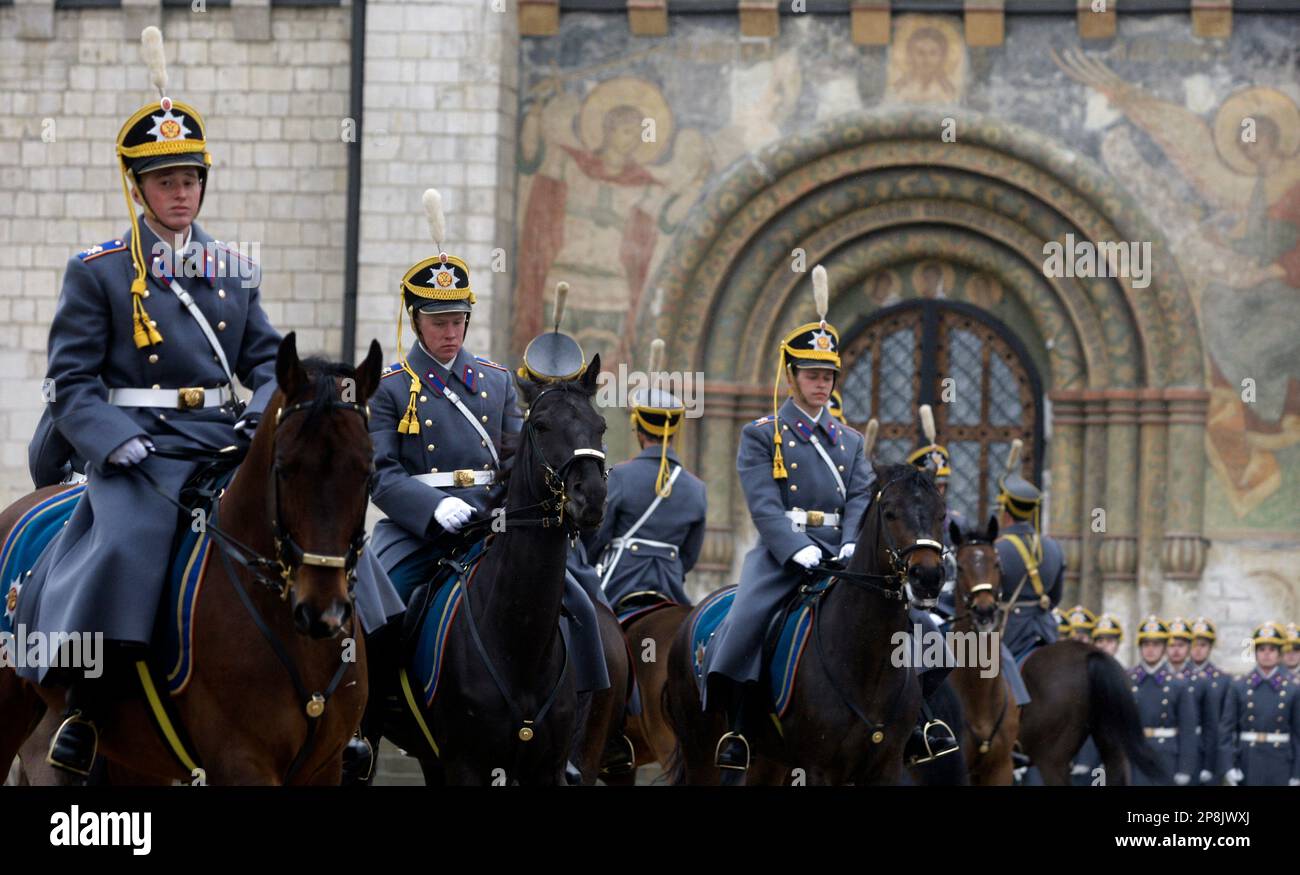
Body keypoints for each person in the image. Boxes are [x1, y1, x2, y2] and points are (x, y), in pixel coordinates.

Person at [21, 28, 283, 777]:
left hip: (220, 438)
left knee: (318, 540)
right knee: (128, 545)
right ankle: (89, 708)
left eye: (191, 179)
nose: (180, 192)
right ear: (137, 186)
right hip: (137, 447)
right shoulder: (99, 272)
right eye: (164, 180)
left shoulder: (231, 271)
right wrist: (110, 439)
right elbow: (69, 385)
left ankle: (345, 701)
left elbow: (266, 360)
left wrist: (259, 412)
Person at [703, 265, 932, 775]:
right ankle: (740, 730)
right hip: (785, 555)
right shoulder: (764, 434)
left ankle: (919, 724)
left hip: (844, 556)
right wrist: (793, 547)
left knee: (922, 631)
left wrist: (851, 542)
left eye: (828, 375)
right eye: (812, 374)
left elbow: (860, 495)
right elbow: (762, 502)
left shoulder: (849, 440)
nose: (821, 384)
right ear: (792, 376)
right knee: (745, 627)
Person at [586, 338, 707, 610]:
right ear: (674, 431)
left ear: (638, 429)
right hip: (672, 587)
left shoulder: (620, 476)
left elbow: (599, 535)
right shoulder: (697, 488)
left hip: (621, 582)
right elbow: (689, 555)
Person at [993, 443, 1065, 661]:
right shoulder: (1053, 546)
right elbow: (1055, 597)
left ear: (1006, 510)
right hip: (1046, 630)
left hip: (1011, 634)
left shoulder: (998, 549)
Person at [1218, 622, 1300, 787]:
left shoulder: (1292, 689)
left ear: (1279, 654)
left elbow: (1297, 735)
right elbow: (1226, 730)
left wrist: (1297, 773)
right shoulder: (1239, 686)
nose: (1266, 654)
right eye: (1262, 649)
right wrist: (1228, 766)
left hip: (1281, 762)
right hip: (1248, 760)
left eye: (1272, 650)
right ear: (1254, 653)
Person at [1128, 616, 1197, 786]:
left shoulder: (1178, 684)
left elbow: (1188, 730)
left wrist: (1185, 768)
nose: (1150, 650)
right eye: (1146, 644)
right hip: (1135, 752)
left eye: (1156, 645)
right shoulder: (1127, 680)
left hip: (1166, 755)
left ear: (1165, 648)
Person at [1188, 617, 1229, 785]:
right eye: (1194, 645)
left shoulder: (1222, 680)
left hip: (1213, 749)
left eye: (1203, 645)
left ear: (1210, 647)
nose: (1197, 650)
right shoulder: (1178, 678)